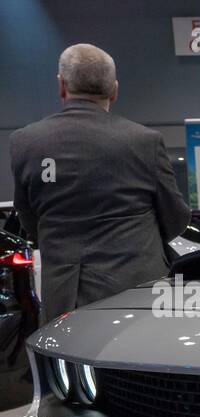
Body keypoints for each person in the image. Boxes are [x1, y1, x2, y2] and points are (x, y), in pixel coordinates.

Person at [9, 43, 190, 322]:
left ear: (61, 86)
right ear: (114, 90)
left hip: (65, 297)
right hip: (138, 293)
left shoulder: (25, 142)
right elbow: (176, 218)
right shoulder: (144, 142)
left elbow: (29, 219)